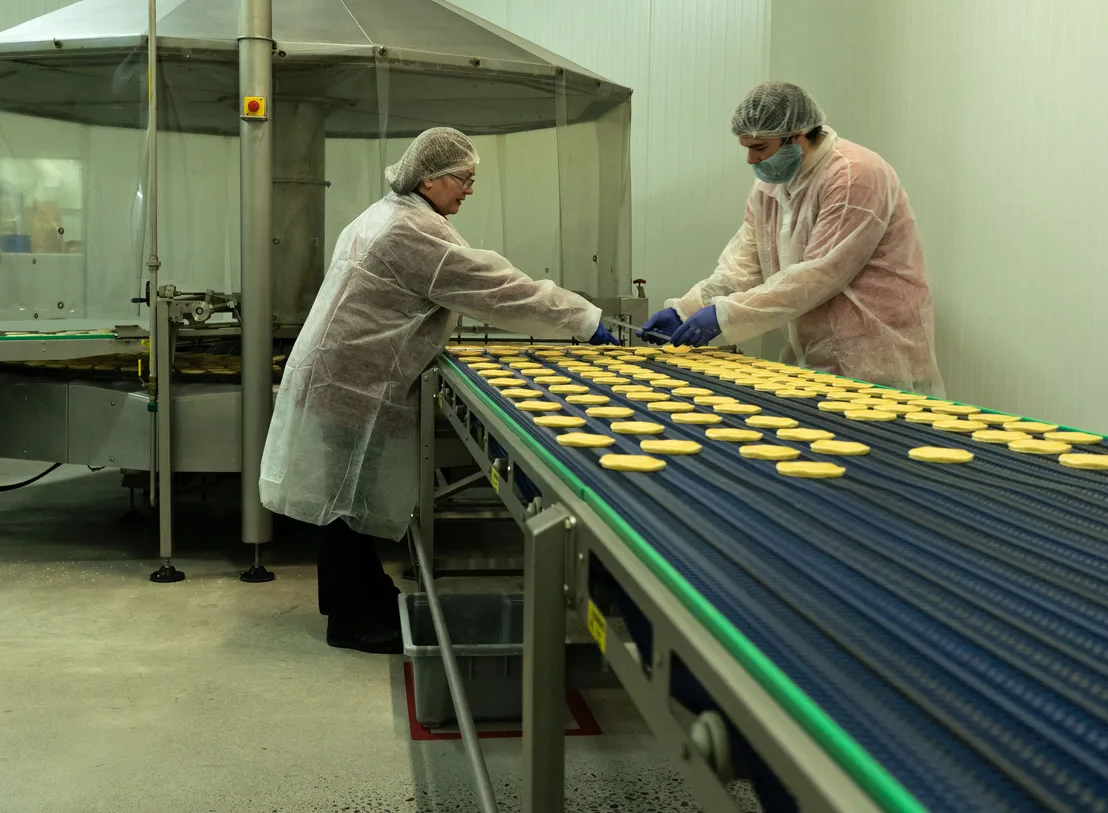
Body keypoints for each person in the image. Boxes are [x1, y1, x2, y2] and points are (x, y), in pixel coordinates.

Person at [260, 127, 619, 653]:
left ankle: (363, 595)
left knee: (348, 499)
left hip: (346, 373)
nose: (468, 191)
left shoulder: (392, 213)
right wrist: (583, 319)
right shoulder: (411, 231)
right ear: (430, 178)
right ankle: (349, 618)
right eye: (464, 180)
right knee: (344, 501)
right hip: (353, 380)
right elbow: (496, 287)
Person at [642, 81, 943, 395]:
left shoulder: (855, 177)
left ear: (797, 135)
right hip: (813, 361)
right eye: (746, 148)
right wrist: (686, 309)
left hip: (876, 362)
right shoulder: (771, 188)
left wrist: (725, 315)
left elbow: (817, 276)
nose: (750, 160)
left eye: (759, 148)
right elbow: (742, 269)